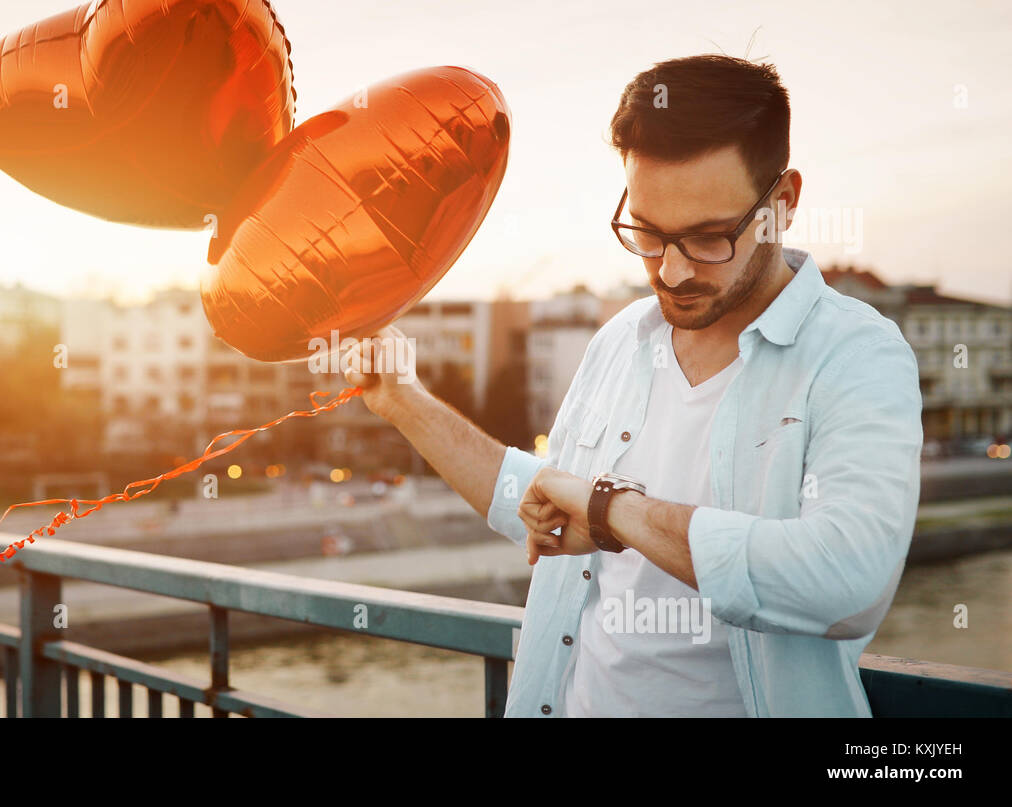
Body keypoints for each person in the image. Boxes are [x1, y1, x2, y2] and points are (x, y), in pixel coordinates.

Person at [343, 54, 922, 717]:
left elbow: (846, 582)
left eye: (708, 238)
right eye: (647, 233)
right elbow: (549, 508)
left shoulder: (858, 355)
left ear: (781, 204)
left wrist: (610, 509)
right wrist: (402, 400)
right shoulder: (621, 340)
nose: (671, 271)